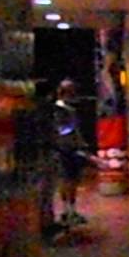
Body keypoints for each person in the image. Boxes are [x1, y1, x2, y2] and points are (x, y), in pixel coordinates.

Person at [52, 79, 91, 225]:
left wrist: (80, 143)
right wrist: (71, 133)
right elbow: (61, 130)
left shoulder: (70, 109)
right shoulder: (60, 109)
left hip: (72, 148)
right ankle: (66, 210)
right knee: (66, 179)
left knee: (73, 180)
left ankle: (71, 210)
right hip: (64, 149)